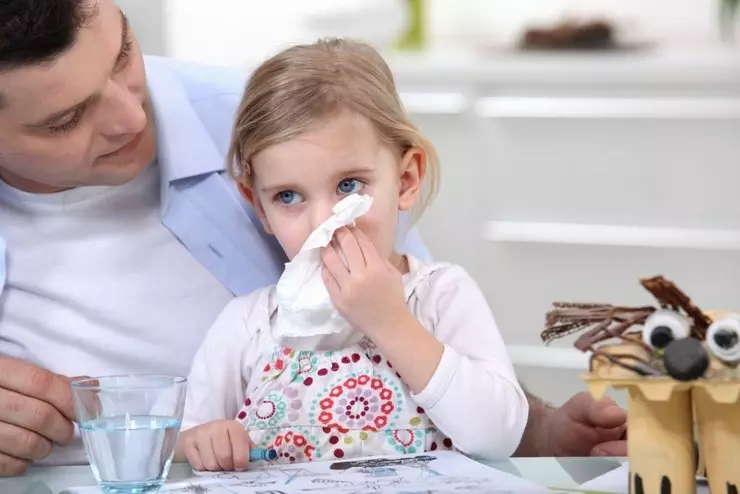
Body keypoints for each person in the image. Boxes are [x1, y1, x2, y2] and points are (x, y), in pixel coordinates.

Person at [0, 0, 625, 476]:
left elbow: (455, 371)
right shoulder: (246, 325)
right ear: (258, 199)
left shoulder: (274, 118)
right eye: (65, 120)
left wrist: (540, 431)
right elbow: (196, 429)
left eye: (124, 55)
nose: (132, 117)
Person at [175, 38, 530, 470]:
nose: (324, 221)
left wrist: (390, 322)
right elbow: (188, 442)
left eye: (349, 186)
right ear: (258, 206)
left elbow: (499, 436)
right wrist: (205, 440)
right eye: (289, 196)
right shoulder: (247, 326)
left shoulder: (440, 296)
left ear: (405, 179)